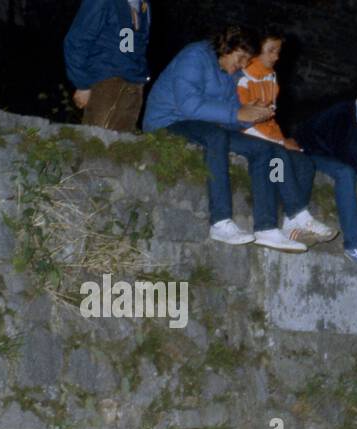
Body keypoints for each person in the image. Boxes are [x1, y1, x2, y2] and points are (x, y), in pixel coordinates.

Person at [143, 27, 334, 252]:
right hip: (169, 121)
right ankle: (220, 222)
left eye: (247, 60)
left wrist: (249, 114)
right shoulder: (195, 56)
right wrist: (237, 113)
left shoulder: (231, 73)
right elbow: (189, 105)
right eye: (241, 58)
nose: (243, 65)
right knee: (216, 138)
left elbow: (231, 115)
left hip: (205, 126)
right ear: (227, 47)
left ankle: (268, 226)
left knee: (268, 150)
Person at [294, 82, 357, 269]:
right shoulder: (342, 113)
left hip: (338, 155)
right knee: (345, 173)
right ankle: (353, 244)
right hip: (313, 151)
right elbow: (340, 151)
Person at [64, 0, 151, 131]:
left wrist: (141, 75)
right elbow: (77, 40)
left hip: (134, 83)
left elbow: (141, 42)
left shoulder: (144, 5)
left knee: (122, 143)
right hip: (105, 78)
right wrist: (81, 84)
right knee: (96, 139)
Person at [237, 32, 295, 149]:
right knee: (282, 158)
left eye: (278, 52)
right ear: (256, 49)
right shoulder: (242, 76)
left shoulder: (270, 76)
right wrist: (281, 143)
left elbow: (270, 116)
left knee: (300, 157)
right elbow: (245, 119)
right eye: (271, 50)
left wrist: (281, 138)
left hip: (266, 132)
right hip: (248, 132)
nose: (276, 57)